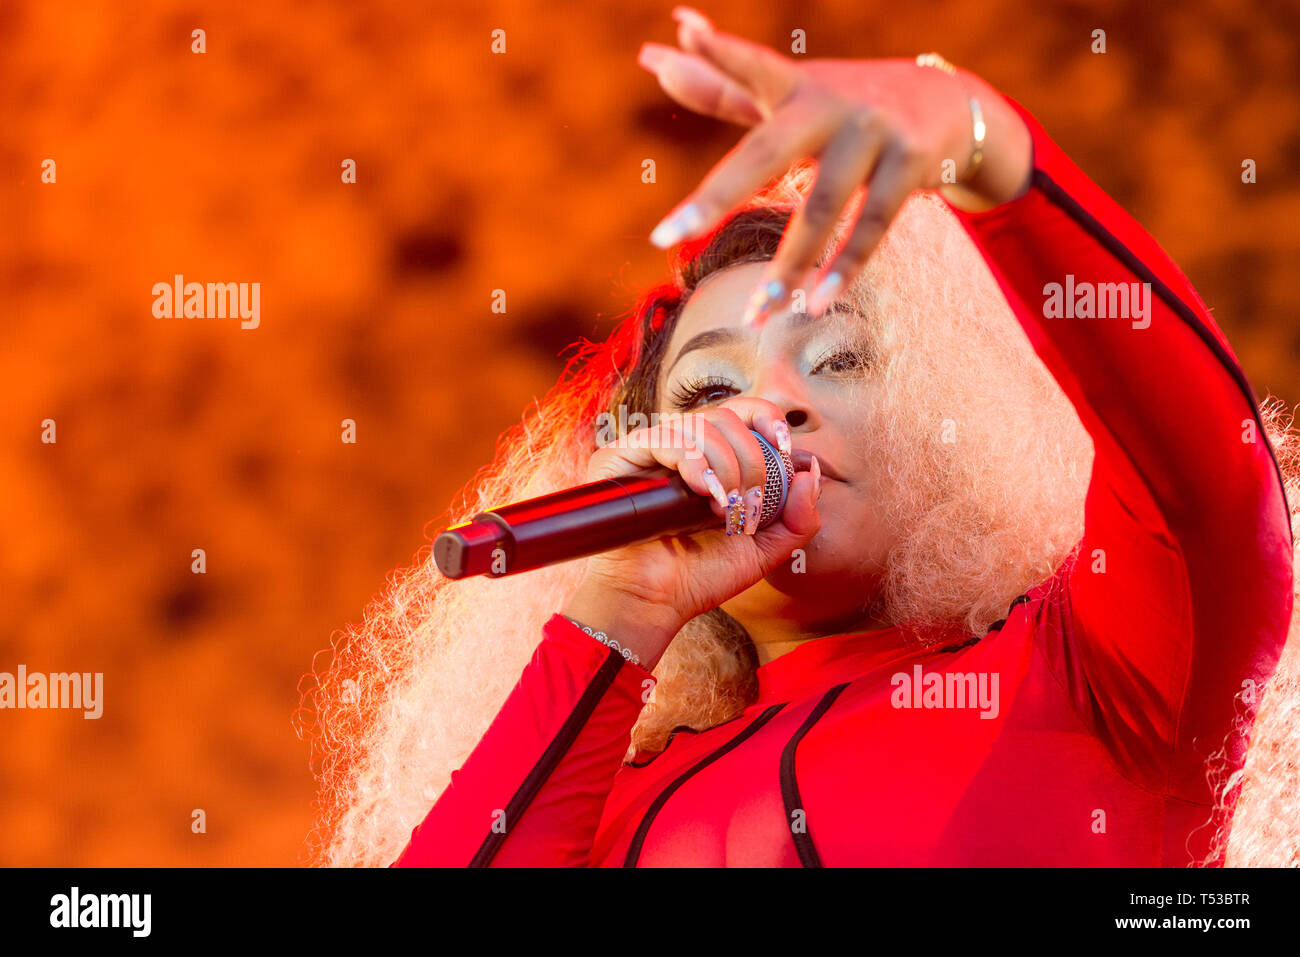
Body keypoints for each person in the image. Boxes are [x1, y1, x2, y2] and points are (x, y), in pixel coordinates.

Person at [296, 7, 1300, 867]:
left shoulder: (1099, 677)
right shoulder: (611, 811)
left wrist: (981, 144)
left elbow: (1207, 487)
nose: (767, 407)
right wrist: (617, 609)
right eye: (714, 384)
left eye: (838, 360)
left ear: (948, 427)